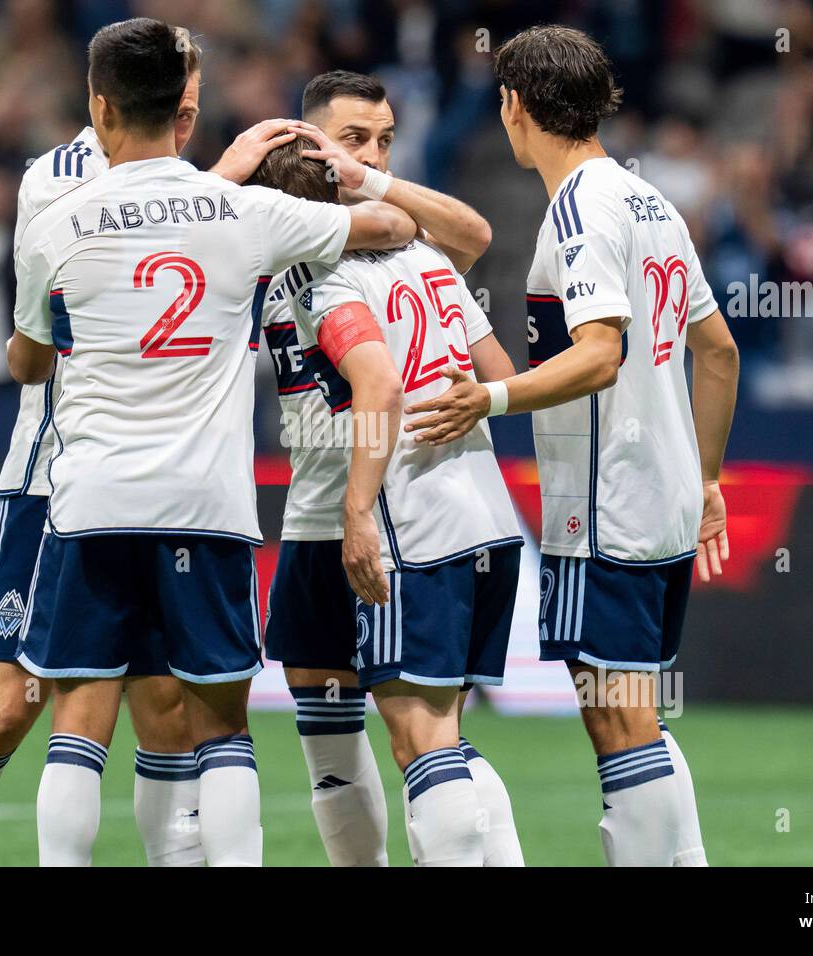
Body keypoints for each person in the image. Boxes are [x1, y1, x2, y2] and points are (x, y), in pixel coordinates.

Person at [7, 16, 417, 867]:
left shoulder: (58, 219)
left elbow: (25, 362)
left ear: (101, 106)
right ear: (183, 113)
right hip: (209, 509)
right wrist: (352, 181)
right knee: (221, 722)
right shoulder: (248, 211)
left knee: (80, 715)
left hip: (91, 501)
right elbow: (392, 232)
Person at [404, 24, 740, 867]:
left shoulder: (582, 206)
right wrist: (706, 479)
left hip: (608, 505)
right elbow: (720, 351)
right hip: (661, 497)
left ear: (516, 106)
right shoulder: (648, 197)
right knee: (636, 715)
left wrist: (493, 396)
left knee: (619, 719)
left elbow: (599, 353)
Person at [0, 28, 221, 869]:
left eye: (193, 112)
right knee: (12, 708)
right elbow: (40, 343)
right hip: (53, 475)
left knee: (165, 706)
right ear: (115, 100)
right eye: (174, 109)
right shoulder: (56, 180)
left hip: (158, 482)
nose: (184, 126)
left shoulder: (199, 185)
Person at [215, 69, 514, 866]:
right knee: (336, 730)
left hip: (388, 517)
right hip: (340, 513)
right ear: (308, 141)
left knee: (425, 738)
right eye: (355, 140)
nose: (369, 156)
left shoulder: (361, 251)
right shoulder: (394, 249)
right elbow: (491, 369)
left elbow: (389, 376)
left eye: (384, 141)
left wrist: (362, 506)